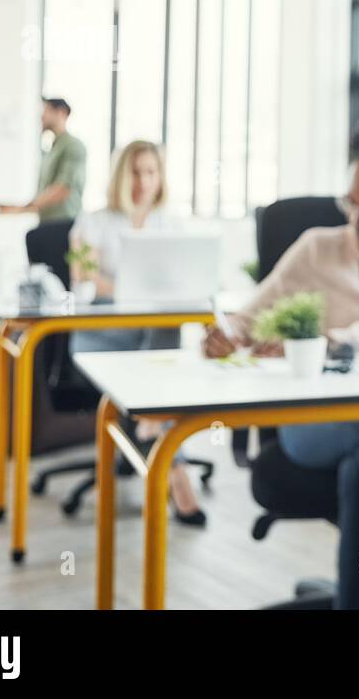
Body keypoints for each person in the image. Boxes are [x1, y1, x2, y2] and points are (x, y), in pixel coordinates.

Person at [202, 120, 359, 609]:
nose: (358, 218)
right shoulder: (317, 250)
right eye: (351, 203)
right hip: (313, 426)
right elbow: (248, 320)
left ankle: (354, 604)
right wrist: (226, 336)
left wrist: (334, 339)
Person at [68, 140, 205, 526]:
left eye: (151, 172)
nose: (143, 181)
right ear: (119, 176)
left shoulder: (170, 223)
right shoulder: (92, 221)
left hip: (152, 331)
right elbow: (83, 275)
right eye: (136, 172)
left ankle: (151, 423)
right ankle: (175, 472)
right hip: (102, 334)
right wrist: (132, 291)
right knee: (162, 342)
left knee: (165, 325)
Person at [0, 97, 86, 221]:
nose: (42, 116)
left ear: (61, 112)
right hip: (47, 221)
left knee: (32, 237)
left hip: (65, 222)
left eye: (46, 110)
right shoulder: (52, 148)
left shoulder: (73, 146)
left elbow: (63, 188)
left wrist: (23, 208)